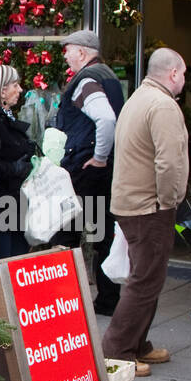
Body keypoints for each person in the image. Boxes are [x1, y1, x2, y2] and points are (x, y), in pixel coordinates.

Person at [101, 48, 189, 376]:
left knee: (146, 278)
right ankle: (117, 351)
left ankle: (136, 345)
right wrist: (169, 201)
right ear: (174, 74)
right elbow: (168, 162)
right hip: (149, 206)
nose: (185, 80)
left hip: (135, 202)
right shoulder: (163, 105)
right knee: (144, 280)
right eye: (183, 74)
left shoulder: (139, 97)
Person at [49, 29, 124, 315]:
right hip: (101, 172)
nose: (65, 55)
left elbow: (106, 119)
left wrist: (99, 157)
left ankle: (60, 301)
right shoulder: (108, 76)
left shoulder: (87, 80)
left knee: (65, 234)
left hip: (84, 169)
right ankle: (107, 300)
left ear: (82, 52)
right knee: (102, 234)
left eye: (67, 50)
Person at [0, 63, 37, 260]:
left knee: (15, 264)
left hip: (12, 207)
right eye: (15, 85)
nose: (20, 89)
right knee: (2, 267)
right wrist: (16, 167)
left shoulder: (5, 117)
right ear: (2, 90)